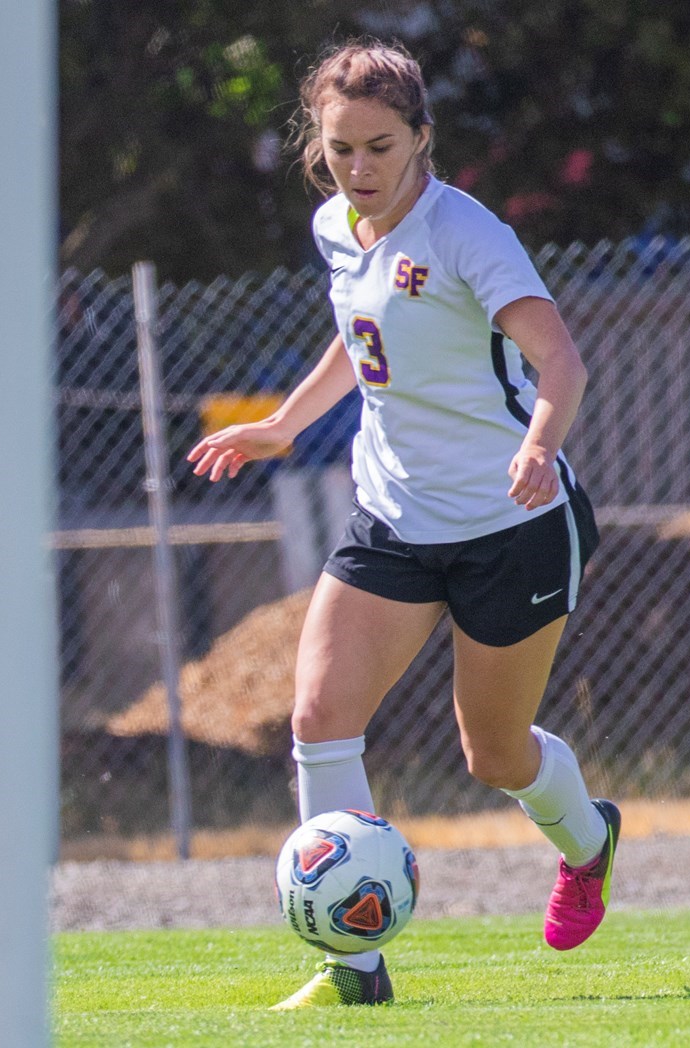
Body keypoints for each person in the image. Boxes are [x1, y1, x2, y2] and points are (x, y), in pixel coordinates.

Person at [188, 39, 618, 1010]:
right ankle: (353, 963)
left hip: (513, 522)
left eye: (380, 147)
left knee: (493, 754)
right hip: (391, 515)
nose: (359, 168)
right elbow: (360, 340)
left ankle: (587, 842)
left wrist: (539, 446)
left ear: (422, 139)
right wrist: (282, 425)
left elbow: (561, 363)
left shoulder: (466, 232)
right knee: (318, 716)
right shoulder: (335, 226)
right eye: (340, 148)